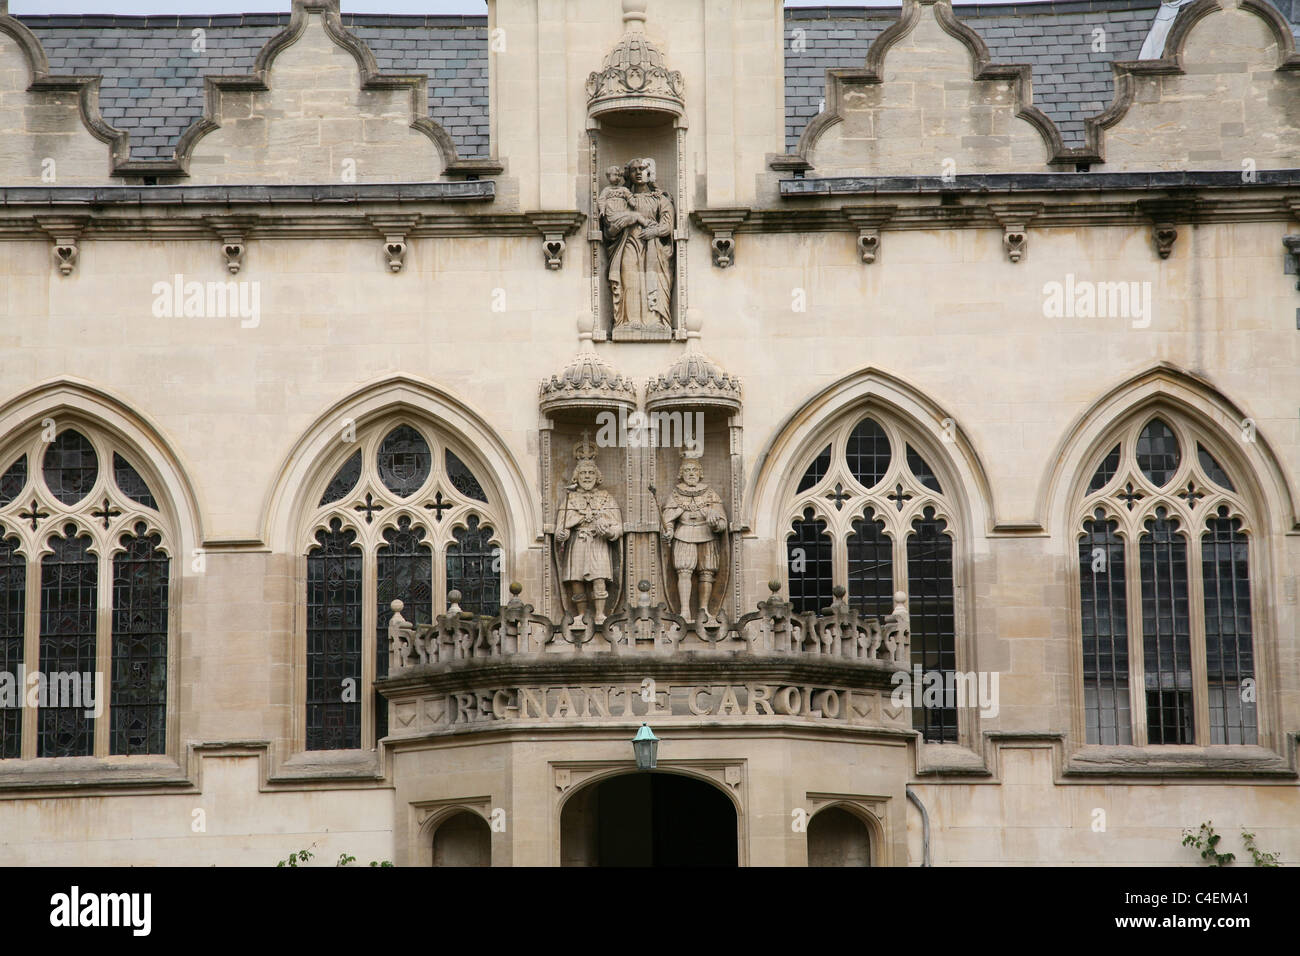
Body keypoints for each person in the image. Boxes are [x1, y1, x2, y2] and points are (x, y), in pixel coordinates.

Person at [554, 439, 623, 624]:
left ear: (597, 476)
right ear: (576, 476)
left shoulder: (606, 498)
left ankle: (600, 614)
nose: (587, 476)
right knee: (577, 581)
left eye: (590, 473)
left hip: (599, 543)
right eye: (583, 473)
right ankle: (581, 614)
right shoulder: (570, 499)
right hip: (578, 542)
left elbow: (618, 527)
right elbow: (561, 526)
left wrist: (608, 531)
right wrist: (563, 534)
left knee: (599, 578)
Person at [603, 157, 674, 329]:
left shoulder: (660, 199)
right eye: (634, 170)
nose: (638, 173)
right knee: (630, 280)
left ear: (649, 172)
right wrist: (629, 219)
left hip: (653, 247)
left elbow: (668, 225)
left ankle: (655, 320)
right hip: (628, 244)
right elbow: (610, 230)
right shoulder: (621, 200)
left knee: (654, 281)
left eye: (642, 169)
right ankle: (630, 321)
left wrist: (654, 231)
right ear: (628, 174)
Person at [661, 449, 727, 622]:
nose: (691, 474)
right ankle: (684, 611)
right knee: (684, 571)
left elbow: (722, 523)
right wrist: (667, 530)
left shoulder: (710, 494)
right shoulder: (675, 495)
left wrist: (714, 521)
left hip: (706, 534)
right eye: (687, 470)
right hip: (683, 535)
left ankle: (703, 609)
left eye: (694, 470)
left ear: (700, 473)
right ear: (681, 474)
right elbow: (667, 519)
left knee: (706, 572)